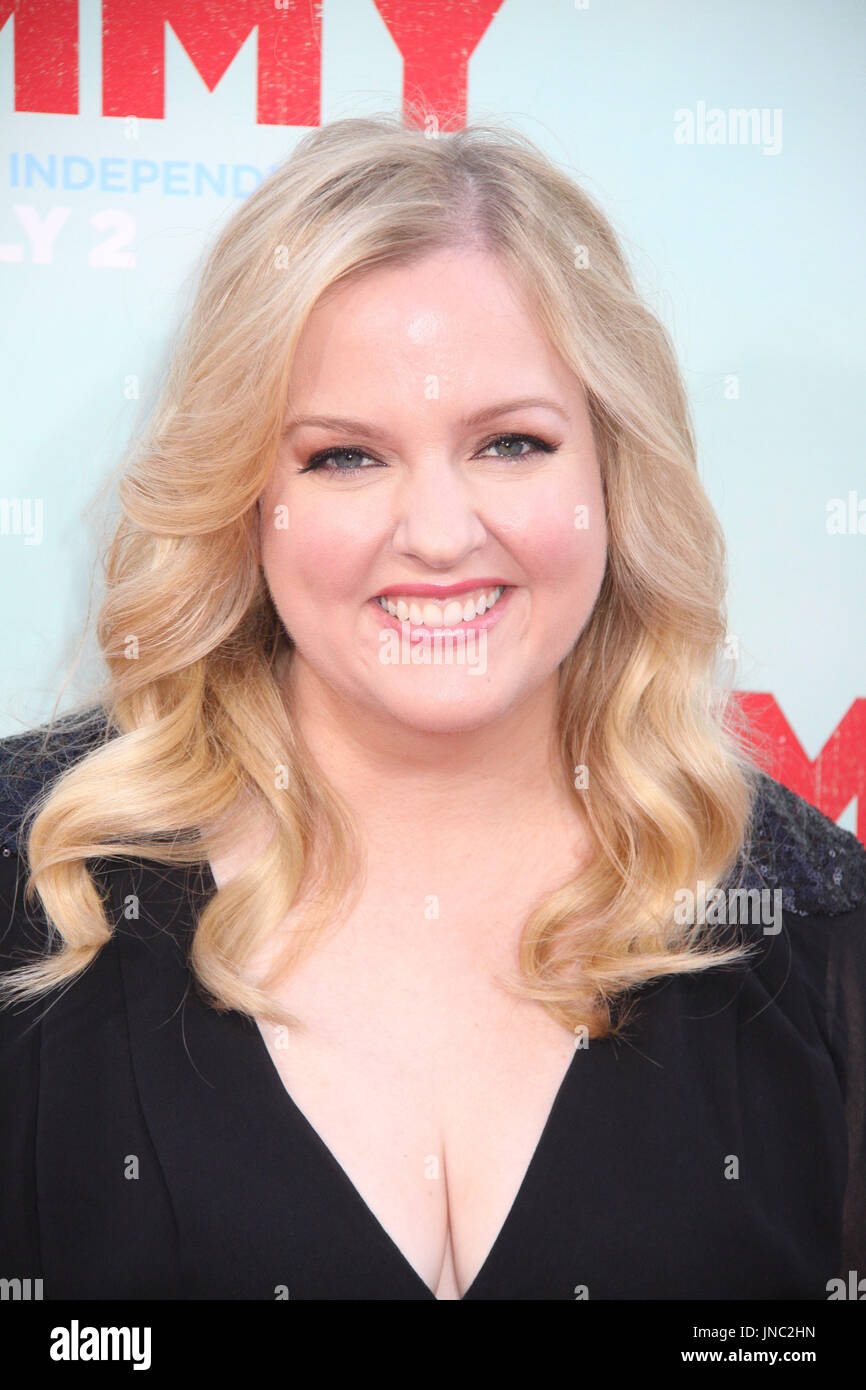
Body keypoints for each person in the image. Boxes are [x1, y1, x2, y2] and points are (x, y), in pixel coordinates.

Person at [0, 114, 863, 1302]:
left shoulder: (817, 926)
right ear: (247, 496)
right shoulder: (35, 869)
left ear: (612, 475)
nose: (442, 534)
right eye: (345, 457)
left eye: (510, 443)